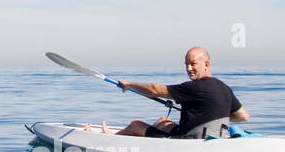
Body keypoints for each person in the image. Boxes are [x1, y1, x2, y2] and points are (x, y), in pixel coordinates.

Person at [87, 47, 249, 138]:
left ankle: (110, 138)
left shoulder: (193, 88)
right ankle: (134, 137)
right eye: (186, 64)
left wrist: (130, 84)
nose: (188, 68)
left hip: (187, 141)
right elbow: (243, 117)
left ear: (206, 64)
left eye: (193, 64)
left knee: (136, 124)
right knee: (163, 121)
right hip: (214, 137)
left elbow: (155, 90)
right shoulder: (224, 88)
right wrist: (208, 113)